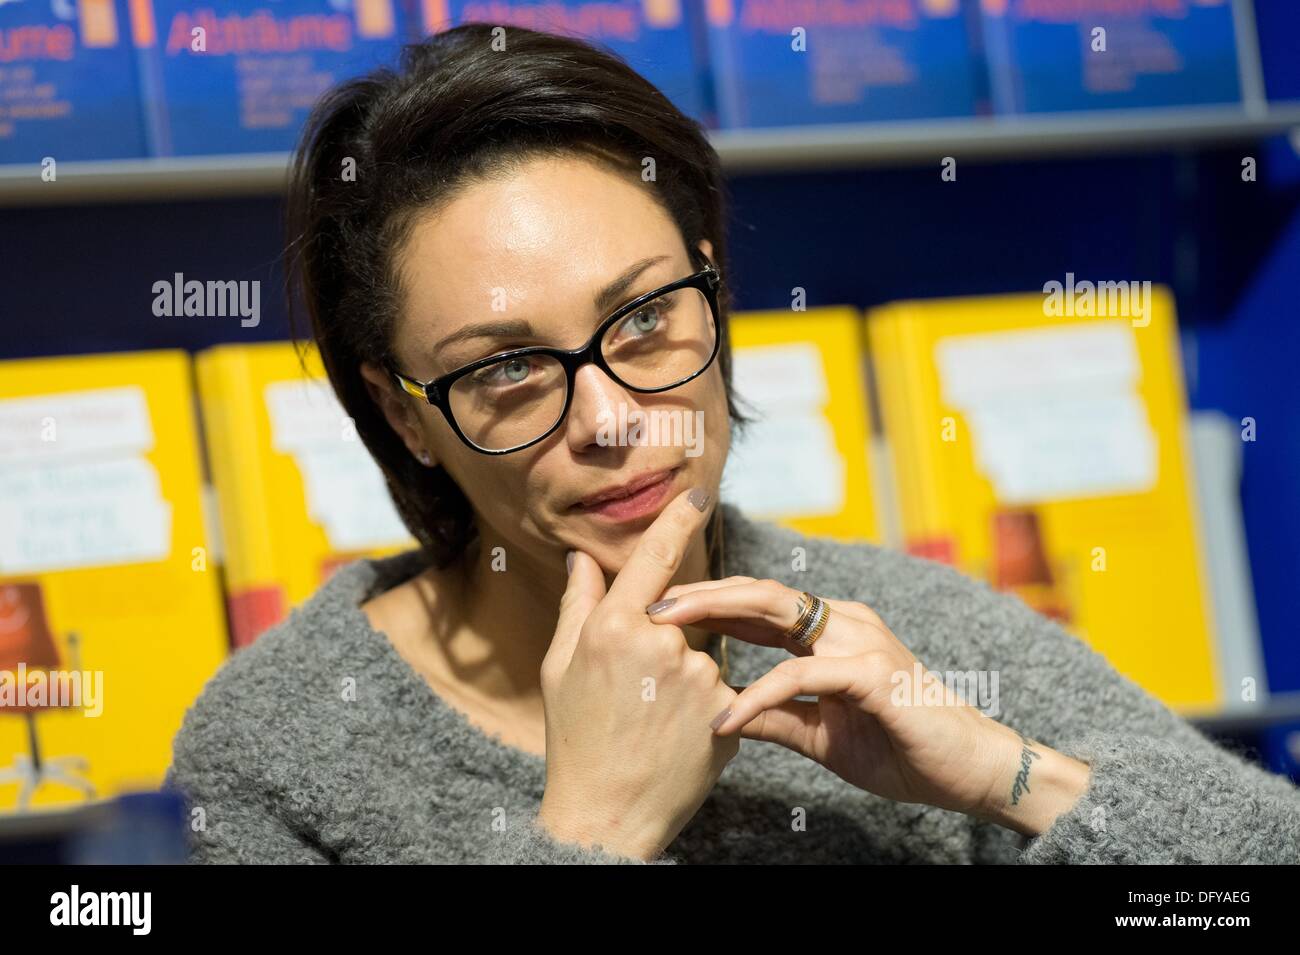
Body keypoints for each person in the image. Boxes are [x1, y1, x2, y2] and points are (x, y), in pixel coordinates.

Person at [163, 23, 1300, 863]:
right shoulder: (278, 744)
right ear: (405, 411)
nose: (616, 417)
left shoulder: (902, 633)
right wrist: (594, 829)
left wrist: (1008, 775)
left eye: (646, 316)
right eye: (507, 368)